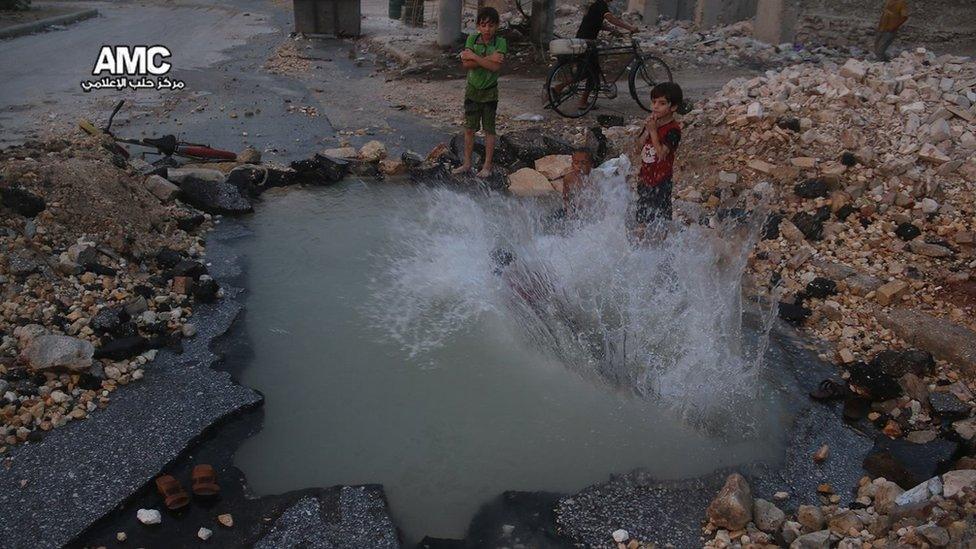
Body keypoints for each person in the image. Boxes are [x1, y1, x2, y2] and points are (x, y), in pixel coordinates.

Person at [453, 7, 507, 178]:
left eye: (491, 25)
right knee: (469, 129)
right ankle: (467, 163)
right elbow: (466, 65)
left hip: (490, 92)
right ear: (478, 26)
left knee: (489, 130)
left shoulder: (500, 42)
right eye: (483, 25)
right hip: (472, 90)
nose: (487, 29)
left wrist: (474, 57)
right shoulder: (472, 38)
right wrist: (487, 59)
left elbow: (495, 67)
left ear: (496, 26)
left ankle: (487, 165)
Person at [632, 81, 682, 242]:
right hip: (645, 177)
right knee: (641, 215)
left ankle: (663, 245)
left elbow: (661, 154)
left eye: (662, 103)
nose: (655, 107)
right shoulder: (651, 124)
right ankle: (639, 245)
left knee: (662, 216)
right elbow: (637, 148)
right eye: (654, 102)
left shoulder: (673, 130)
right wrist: (648, 130)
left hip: (662, 180)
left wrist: (653, 132)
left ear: (673, 107)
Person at [574, 0, 638, 112]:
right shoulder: (601, 4)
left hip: (584, 41)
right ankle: (577, 99)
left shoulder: (596, 5)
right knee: (591, 73)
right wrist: (630, 28)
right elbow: (610, 19)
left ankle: (578, 98)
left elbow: (596, 23)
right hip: (587, 42)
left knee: (589, 72)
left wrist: (612, 29)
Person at [561, 148, 594, 214]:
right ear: (572, 165)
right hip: (575, 209)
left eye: (584, 163)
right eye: (576, 162)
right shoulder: (569, 178)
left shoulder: (596, 178)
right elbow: (565, 198)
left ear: (591, 164)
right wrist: (569, 211)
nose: (579, 166)